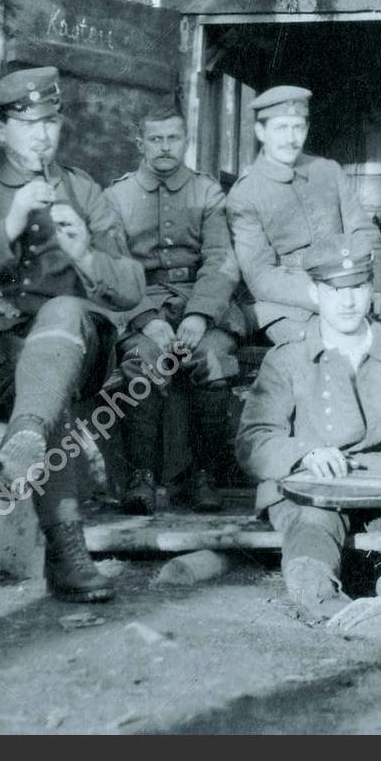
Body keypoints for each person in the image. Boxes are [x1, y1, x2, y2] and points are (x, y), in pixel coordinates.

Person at [0, 67, 145, 603]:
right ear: (0, 130)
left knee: (61, 322)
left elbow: (133, 286)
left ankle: (28, 445)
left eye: (51, 122)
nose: (44, 135)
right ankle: (67, 559)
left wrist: (86, 252)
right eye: (28, 124)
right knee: (43, 383)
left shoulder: (83, 189)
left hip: (73, 345)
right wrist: (8, 228)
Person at [236, 233, 381, 624]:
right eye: (333, 289)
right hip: (316, 489)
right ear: (314, 292)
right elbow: (254, 440)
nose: (347, 301)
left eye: (358, 287)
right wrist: (305, 453)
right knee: (311, 528)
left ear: (370, 289)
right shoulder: (288, 357)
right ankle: (326, 606)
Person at [104, 108, 243, 514]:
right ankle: (141, 477)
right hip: (138, 301)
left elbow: (220, 260)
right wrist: (146, 319)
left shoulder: (207, 193)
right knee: (143, 361)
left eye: (173, 138)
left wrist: (200, 315)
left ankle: (204, 476)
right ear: (141, 143)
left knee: (212, 357)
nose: (165, 147)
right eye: (155, 139)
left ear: (186, 141)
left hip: (201, 298)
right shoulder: (117, 196)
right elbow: (112, 265)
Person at [226, 86, 381, 346]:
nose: (291, 138)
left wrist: (380, 287)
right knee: (328, 350)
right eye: (281, 128)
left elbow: (364, 234)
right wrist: (329, 295)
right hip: (287, 308)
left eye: (298, 127)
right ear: (261, 132)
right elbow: (261, 277)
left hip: (349, 290)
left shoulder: (328, 171)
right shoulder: (245, 193)